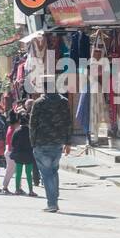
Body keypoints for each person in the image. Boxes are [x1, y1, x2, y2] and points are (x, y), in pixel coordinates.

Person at [29, 84, 72, 213]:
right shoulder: (64, 102)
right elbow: (68, 122)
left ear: (45, 88)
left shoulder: (39, 103)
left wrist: (32, 143)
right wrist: (68, 142)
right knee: (53, 171)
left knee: (47, 174)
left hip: (41, 143)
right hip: (57, 143)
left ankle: (52, 203)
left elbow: (33, 124)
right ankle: (54, 200)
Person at [10, 107, 37, 197]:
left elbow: (12, 143)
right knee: (29, 173)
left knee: (18, 173)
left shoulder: (17, 131)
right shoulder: (31, 132)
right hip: (29, 155)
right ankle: (31, 191)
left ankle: (17, 189)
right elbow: (34, 143)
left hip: (19, 155)